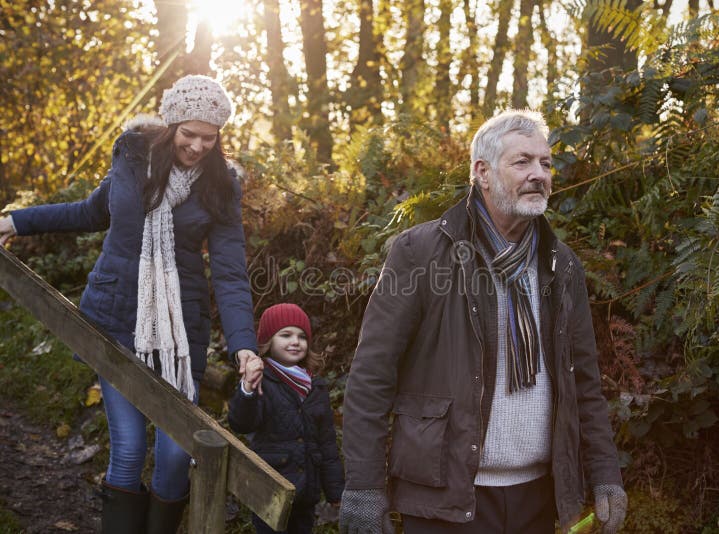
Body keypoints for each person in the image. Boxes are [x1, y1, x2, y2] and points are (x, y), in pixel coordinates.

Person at [338, 110, 628, 534]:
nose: (539, 174)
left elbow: (583, 380)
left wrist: (605, 473)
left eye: (546, 164)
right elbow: (371, 375)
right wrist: (363, 486)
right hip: (446, 498)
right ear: (483, 172)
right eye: (522, 162)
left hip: (539, 497)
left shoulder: (561, 264)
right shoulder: (421, 254)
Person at [0, 75, 263, 533]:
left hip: (180, 331)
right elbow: (89, 212)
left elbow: (229, 271)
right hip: (116, 319)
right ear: (172, 124)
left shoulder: (223, 185)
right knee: (126, 448)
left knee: (177, 452)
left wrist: (244, 344)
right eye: (190, 134)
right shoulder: (132, 155)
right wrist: (15, 222)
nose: (199, 146)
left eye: (210, 136)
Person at [229, 303, 345, 534]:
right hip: (270, 487)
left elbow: (327, 444)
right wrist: (248, 389)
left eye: (302, 336)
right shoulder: (262, 380)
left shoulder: (316, 387)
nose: (295, 341)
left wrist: (335, 491)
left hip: (307, 491)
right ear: (268, 341)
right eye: (286, 335)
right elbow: (241, 423)